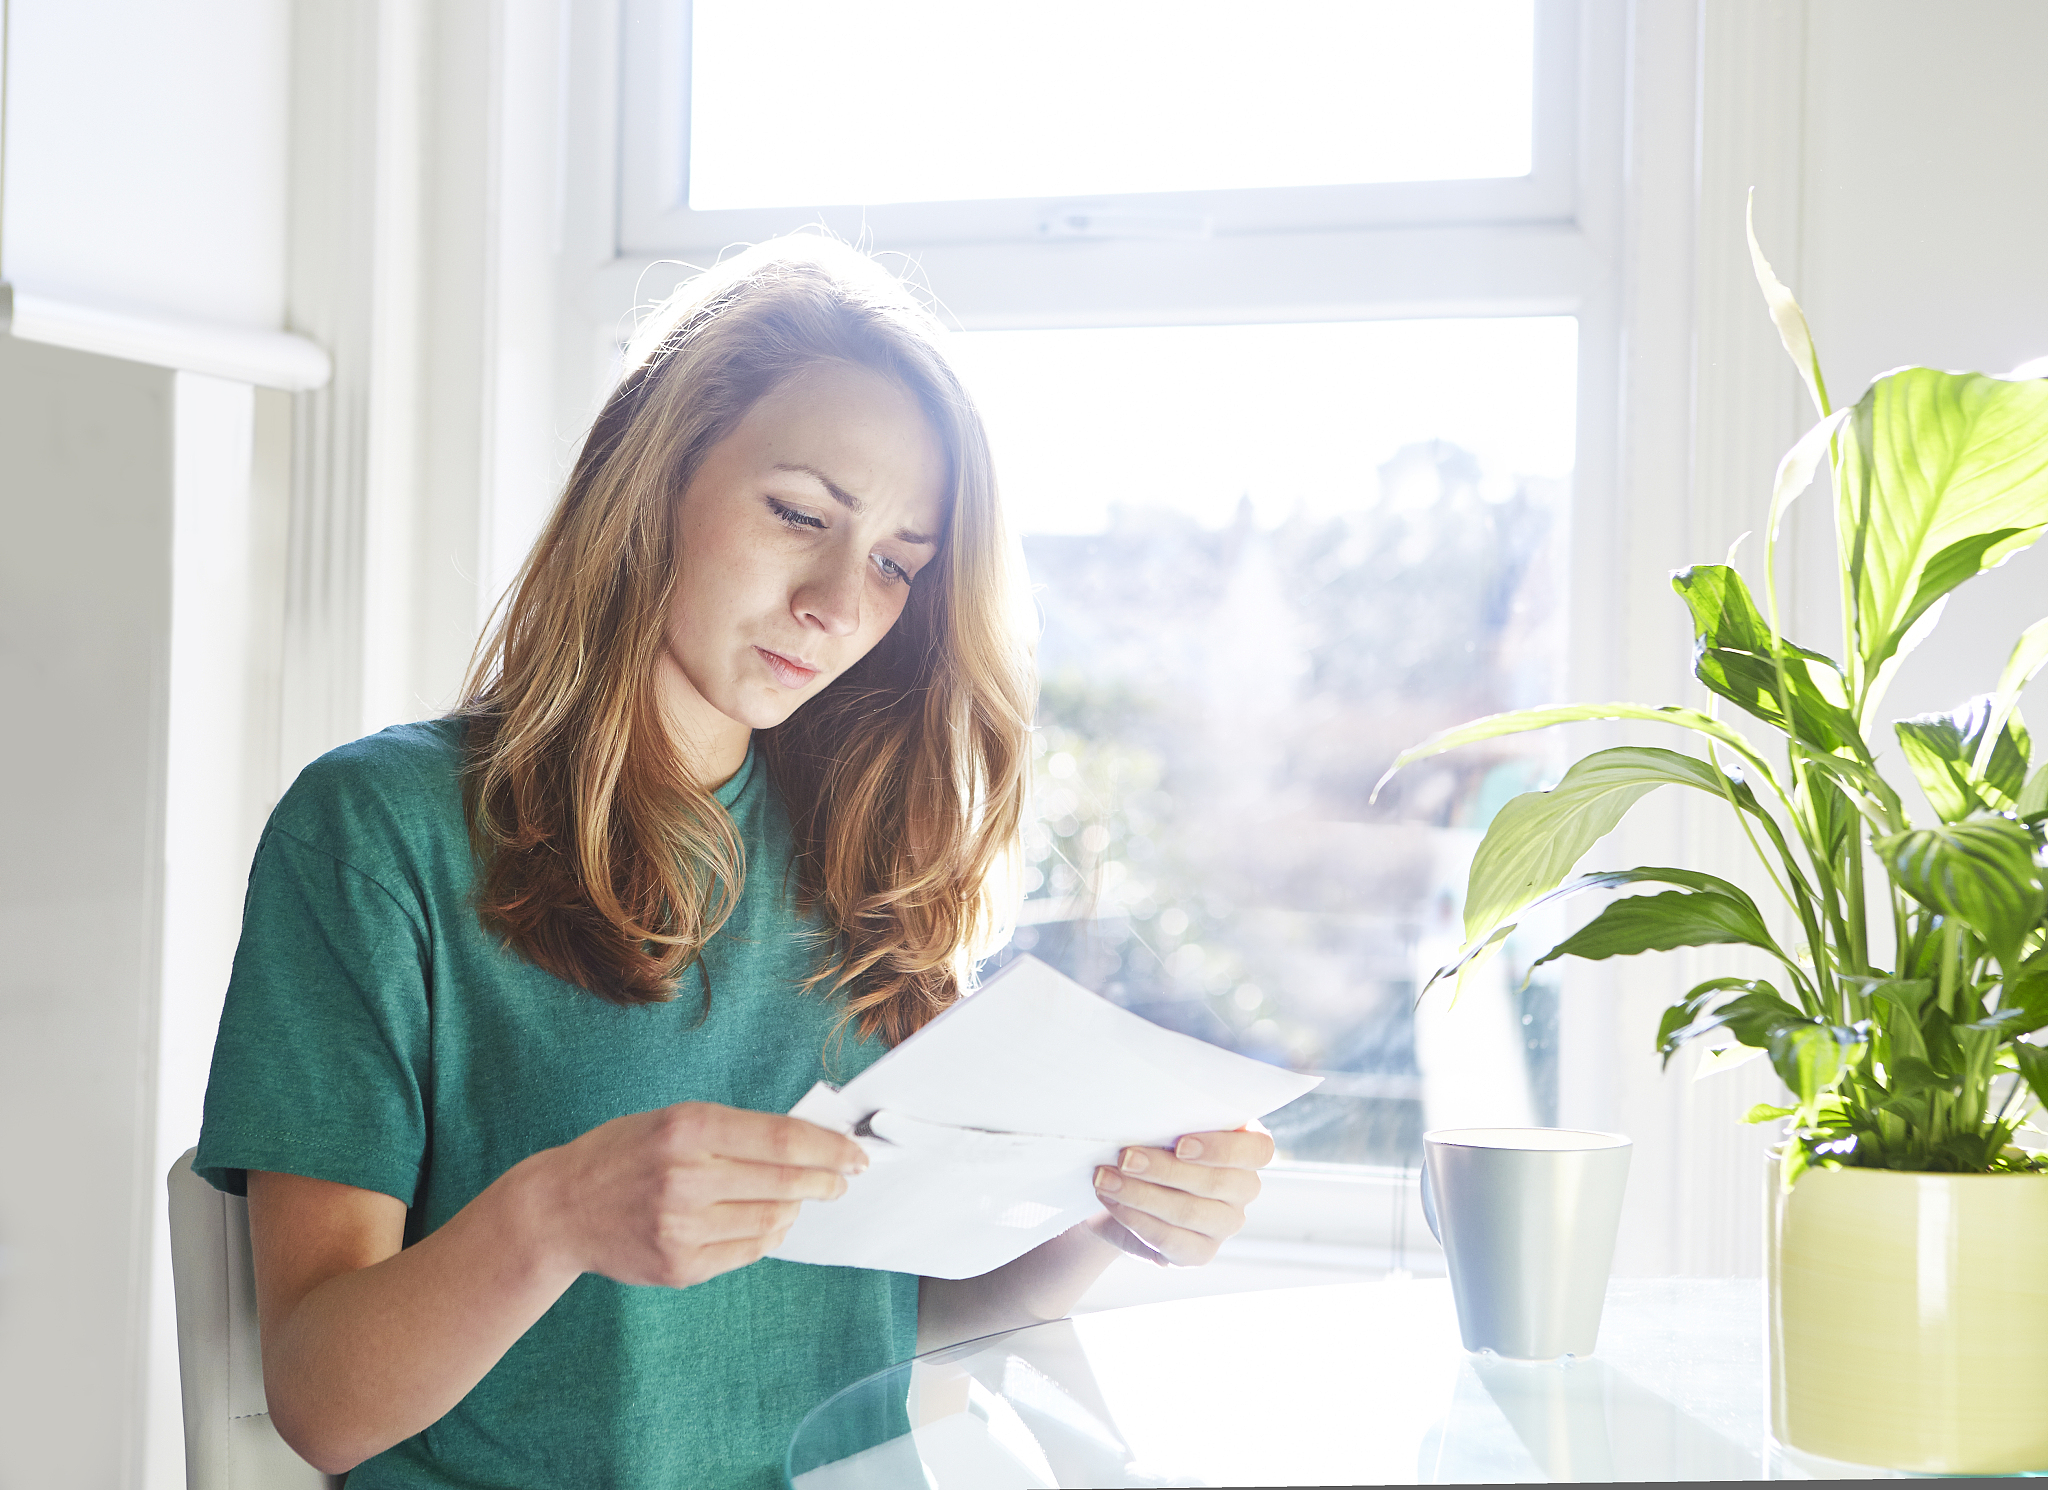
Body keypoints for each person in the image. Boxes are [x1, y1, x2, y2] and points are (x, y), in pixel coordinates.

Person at [192, 236, 1275, 1490]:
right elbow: (323, 1403)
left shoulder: (864, 851)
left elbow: (874, 1322)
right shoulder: (379, 831)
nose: (836, 600)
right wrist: (550, 1217)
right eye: (799, 513)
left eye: (892, 563)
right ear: (651, 483)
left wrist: (1110, 1215)